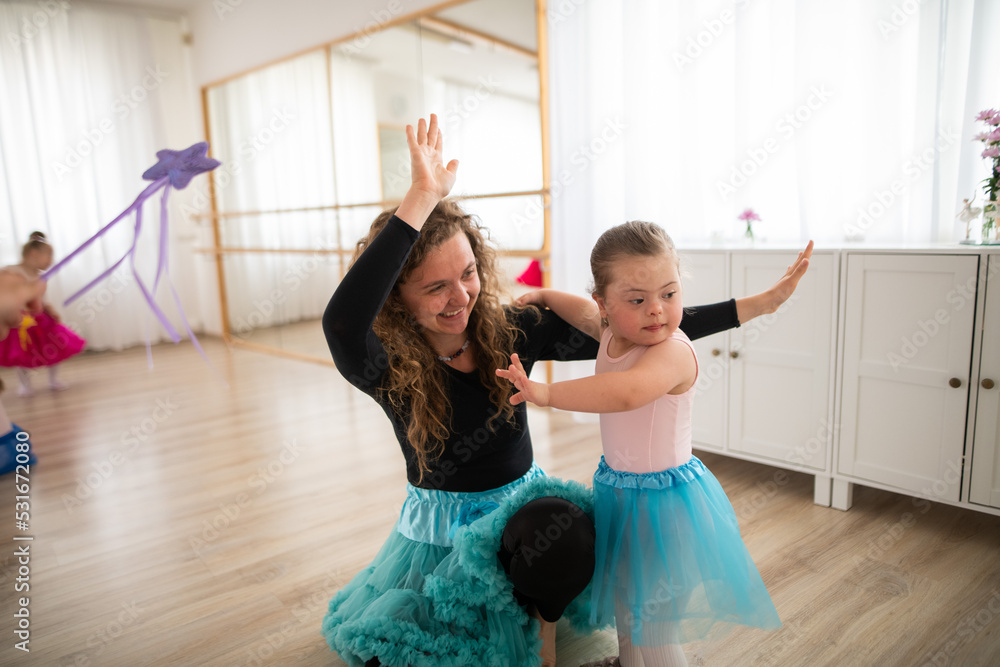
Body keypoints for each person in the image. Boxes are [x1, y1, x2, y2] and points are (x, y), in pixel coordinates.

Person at [321, 114, 809, 667]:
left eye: (468, 274)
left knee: (569, 533)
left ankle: (544, 641)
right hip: (438, 540)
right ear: (397, 297)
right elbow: (342, 321)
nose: (461, 296)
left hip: (521, 520)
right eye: (436, 287)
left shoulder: (507, 331)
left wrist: (753, 307)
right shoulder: (385, 364)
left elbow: (644, 324)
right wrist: (421, 198)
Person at [498, 221, 799, 667]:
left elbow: (626, 393)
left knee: (653, 622)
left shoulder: (671, 351)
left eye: (670, 294)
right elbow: (580, 309)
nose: (657, 311)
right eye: (637, 300)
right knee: (627, 601)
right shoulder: (611, 332)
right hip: (622, 492)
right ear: (606, 305)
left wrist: (545, 393)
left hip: (664, 506)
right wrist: (545, 296)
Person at [0, 232, 86, 396]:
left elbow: (40, 299)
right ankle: (25, 385)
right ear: (34, 254)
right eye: (48, 256)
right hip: (19, 321)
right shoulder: (11, 272)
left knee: (54, 345)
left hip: (40, 319)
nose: (50, 261)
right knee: (22, 352)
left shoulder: (40, 276)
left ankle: (53, 379)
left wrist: (50, 310)